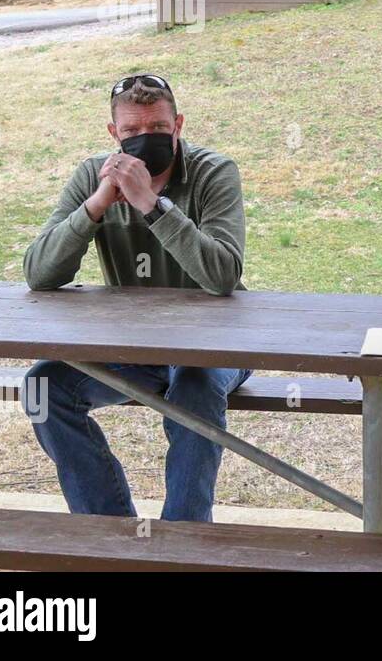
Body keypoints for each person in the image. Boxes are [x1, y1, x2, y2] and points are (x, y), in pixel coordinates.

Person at [22, 73, 251, 522]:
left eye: (159, 129)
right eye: (132, 132)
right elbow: (39, 273)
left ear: (178, 124)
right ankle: (112, 535)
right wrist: (96, 206)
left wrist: (153, 205)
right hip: (136, 348)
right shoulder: (93, 174)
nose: (146, 139)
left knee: (194, 386)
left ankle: (182, 542)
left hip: (218, 345)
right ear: (114, 134)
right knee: (43, 387)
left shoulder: (213, 172)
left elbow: (223, 275)